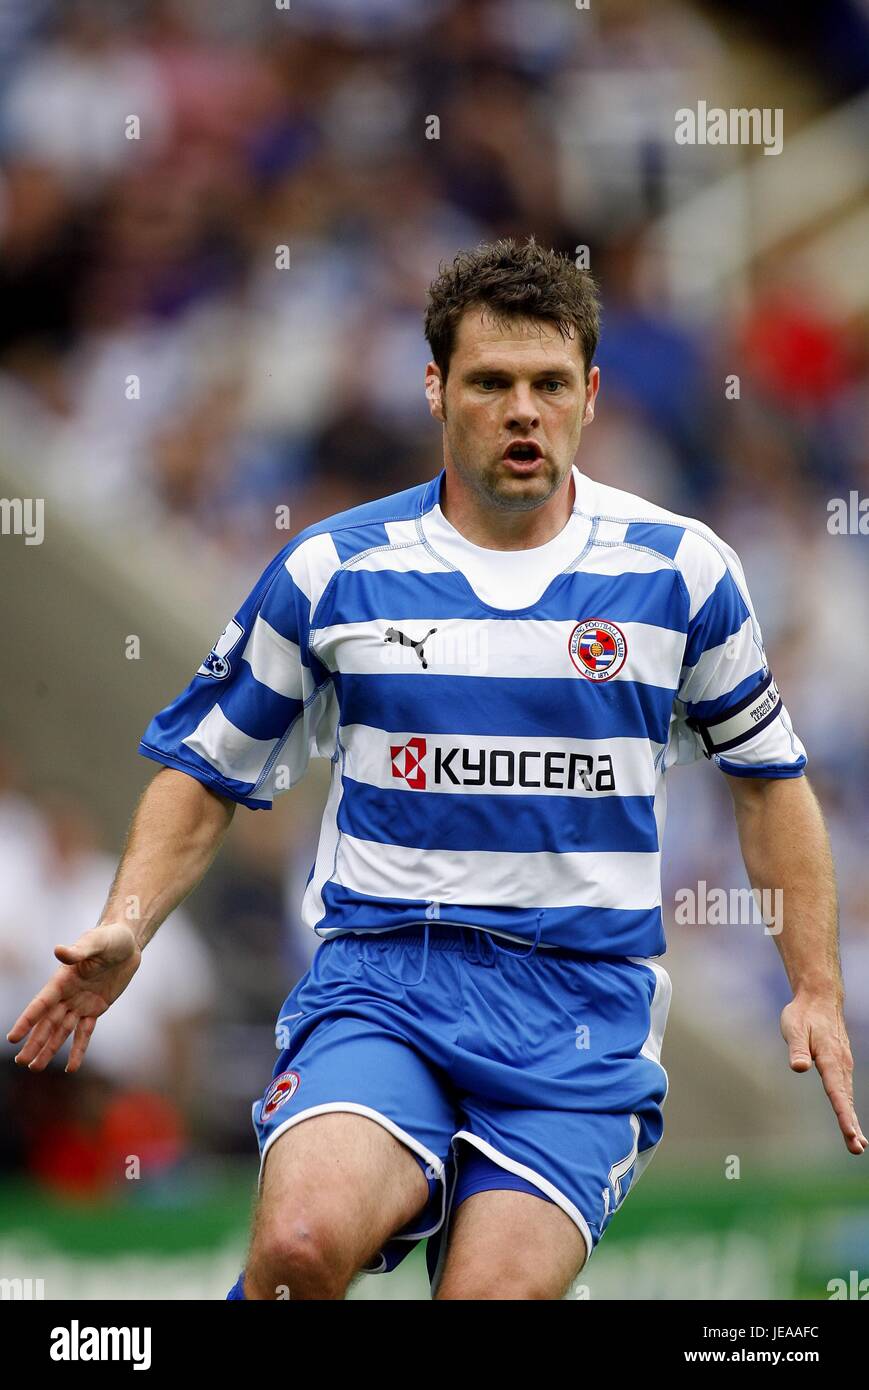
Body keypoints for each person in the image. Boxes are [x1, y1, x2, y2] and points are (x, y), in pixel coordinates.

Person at [8, 237, 865, 1302]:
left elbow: (767, 781)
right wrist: (130, 919)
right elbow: (205, 767)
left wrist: (815, 988)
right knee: (295, 1250)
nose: (522, 410)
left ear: (590, 394)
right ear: (434, 389)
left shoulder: (679, 571)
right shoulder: (332, 570)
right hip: (385, 983)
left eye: (548, 384)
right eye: (490, 383)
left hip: (578, 1007)